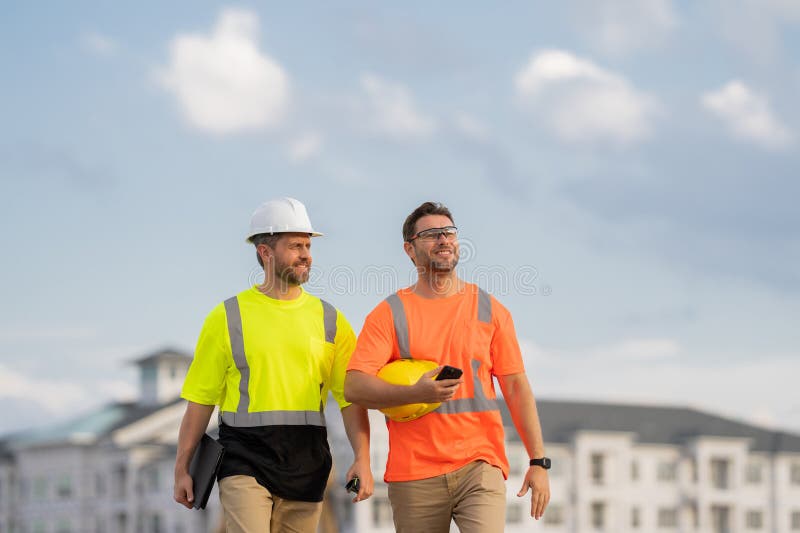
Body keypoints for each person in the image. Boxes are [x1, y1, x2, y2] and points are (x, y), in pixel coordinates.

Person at [344, 201, 550, 533]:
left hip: (479, 463)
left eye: (449, 232)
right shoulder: (389, 314)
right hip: (414, 472)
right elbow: (354, 387)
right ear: (409, 249)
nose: (443, 239)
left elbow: (515, 387)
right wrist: (415, 393)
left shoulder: (490, 310)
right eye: (430, 234)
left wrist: (538, 461)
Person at [174, 197, 373, 532]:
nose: (306, 254)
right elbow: (201, 400)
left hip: (307, 464)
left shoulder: (330, 320)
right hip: (243, 460)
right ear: (265, 252)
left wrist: (363, 459)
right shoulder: (227, 317)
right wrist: (182, 467)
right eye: (295, 245)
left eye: (308, 245)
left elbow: (350, 398)